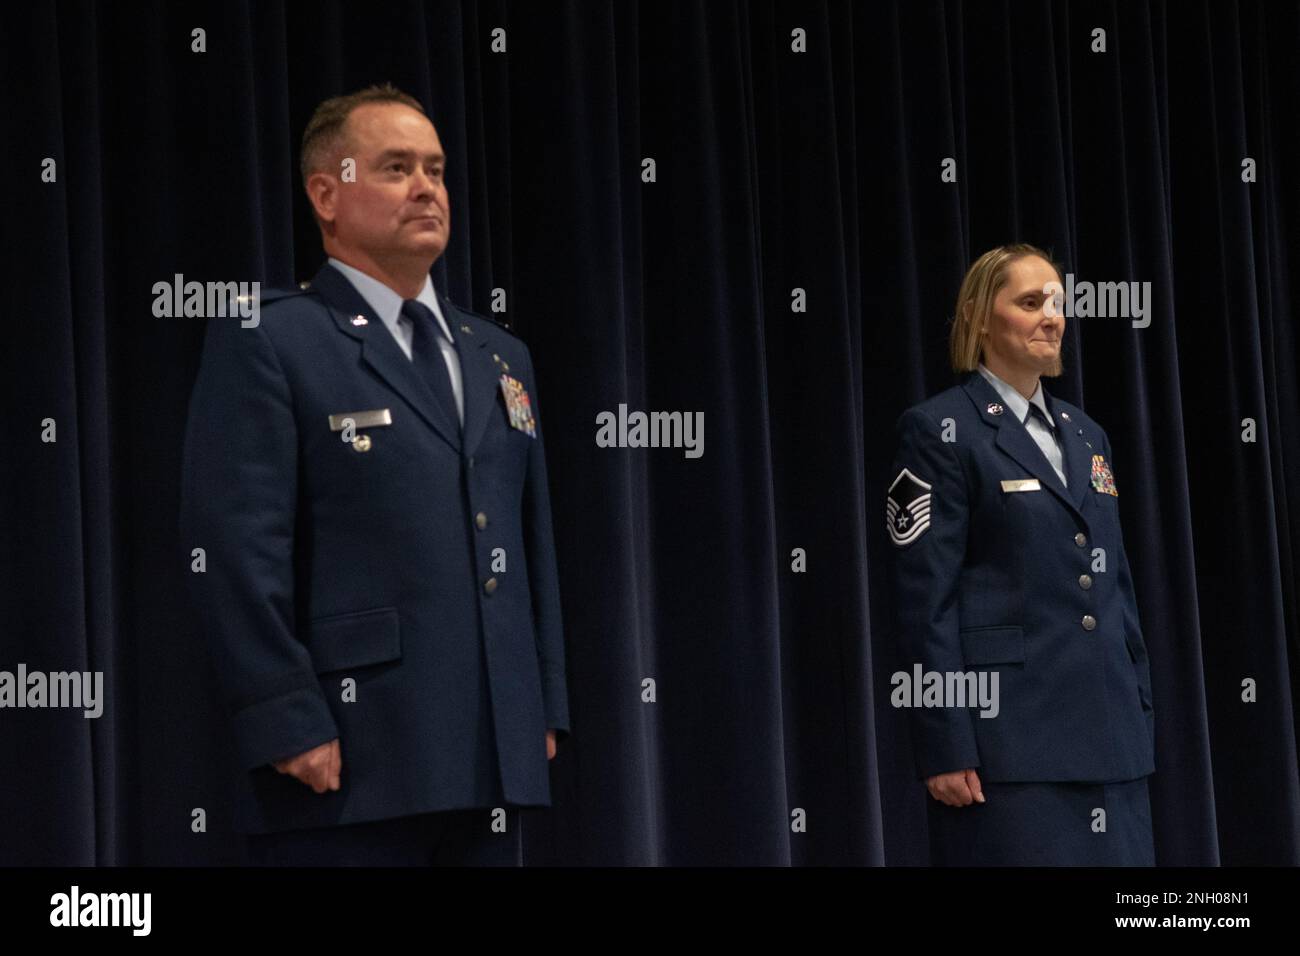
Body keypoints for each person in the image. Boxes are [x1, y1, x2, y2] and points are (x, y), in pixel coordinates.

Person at [179, 83, 570, 865]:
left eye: (436, 169)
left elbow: (531, 544)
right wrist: (286, 717)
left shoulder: (498, 354)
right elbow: (234, 550)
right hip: (351, 760)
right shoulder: (274, 339)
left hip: (492, 752)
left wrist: (541, 705)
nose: (427, 188)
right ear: (327, 193)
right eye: (396, 168)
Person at [886, 243, 1155, 866]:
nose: (1052, 317)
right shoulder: (941, 431)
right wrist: (945, 741)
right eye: (1031, 302)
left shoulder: (1087, 434)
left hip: (1112, 741)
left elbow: (1115, 586)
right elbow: (926, 602)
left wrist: (1139, 703)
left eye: (1058, 302)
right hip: (1009, 749)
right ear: (982, 317)